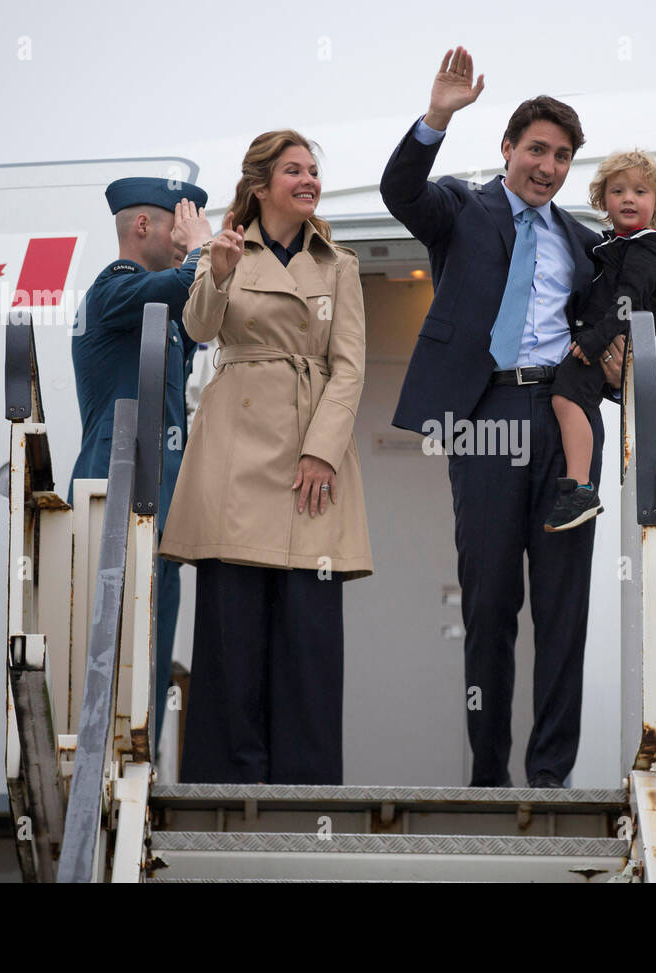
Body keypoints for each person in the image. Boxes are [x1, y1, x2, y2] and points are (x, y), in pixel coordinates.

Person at [381, 47, 625, 789]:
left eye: (561, 156)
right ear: (508, 150)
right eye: (536, 150)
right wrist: (436, 117)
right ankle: (488, 772)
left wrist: (616, 359)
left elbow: (620, 317)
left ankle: (550, 772)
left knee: (563, 606)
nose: (547, 167)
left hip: (563, 421)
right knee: (490, 604)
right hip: (486, 419)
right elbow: (401, 190)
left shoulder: (587, 245)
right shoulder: (461, 210)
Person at [159, 130, 372, 786]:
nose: (308, 180)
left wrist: (321, 452)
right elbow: (197, 330)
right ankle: (227, 786)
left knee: (308, 633)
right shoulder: (222, 251)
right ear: (261, 186)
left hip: (314, 456)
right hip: (234, 455)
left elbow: (349, 367)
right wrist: (215, 273)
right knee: (232, 630)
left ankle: (305, 790)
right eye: (293, 171)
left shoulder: (339, 264)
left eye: (313, 170)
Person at [68, 176, 213, 759]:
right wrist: (202, 249)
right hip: (116, 490)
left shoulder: (163, 307)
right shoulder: (117, 286)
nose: (187, 232)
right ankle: (103, 758)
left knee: (151, 646)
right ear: (143, 226)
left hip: (159, 501)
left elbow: (201, 311)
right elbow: (183, 285)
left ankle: (141, 765)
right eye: (180, 219)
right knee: (111, 640)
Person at [545, 151, 656, 531]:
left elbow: (629, 298)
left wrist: (593, 341)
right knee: (569, 399)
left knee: (565, 395)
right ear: (602, 201)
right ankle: (578, 484)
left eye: (640, 191)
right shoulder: (615, 244)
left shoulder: (651, 245)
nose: (628, 198)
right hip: (604, 339)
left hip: (611, 340)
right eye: (617, 191)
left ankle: (580, 488)